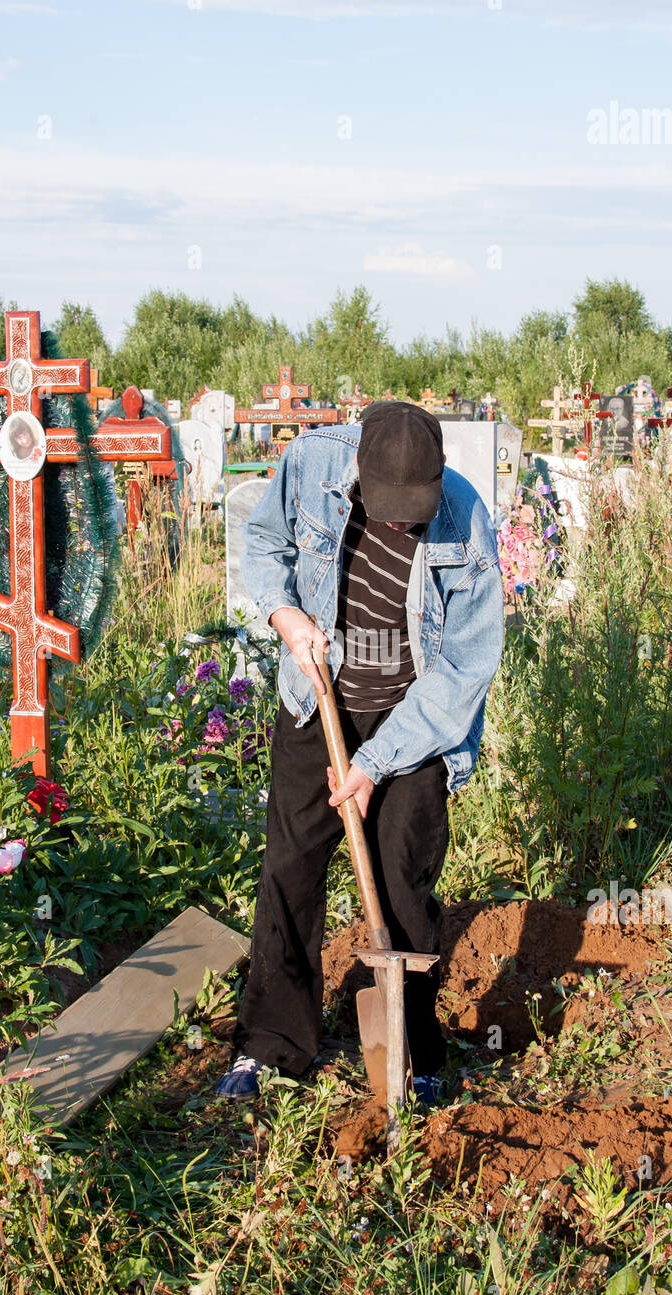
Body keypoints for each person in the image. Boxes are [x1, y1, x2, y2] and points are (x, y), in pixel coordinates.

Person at [216, 400, 504, 1104]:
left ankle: (413, 1051)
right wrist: (285, 613)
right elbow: (263, 543)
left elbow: (464, 670)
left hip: (416, 719)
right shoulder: (312, 463)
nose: (402, 521)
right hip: (319, 699)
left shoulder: (466, 523)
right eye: (387, 506)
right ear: (358, 471)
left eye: (415, 509)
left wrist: (376, 766)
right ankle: (273, 1043)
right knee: (291, 866)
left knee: (404, 880)